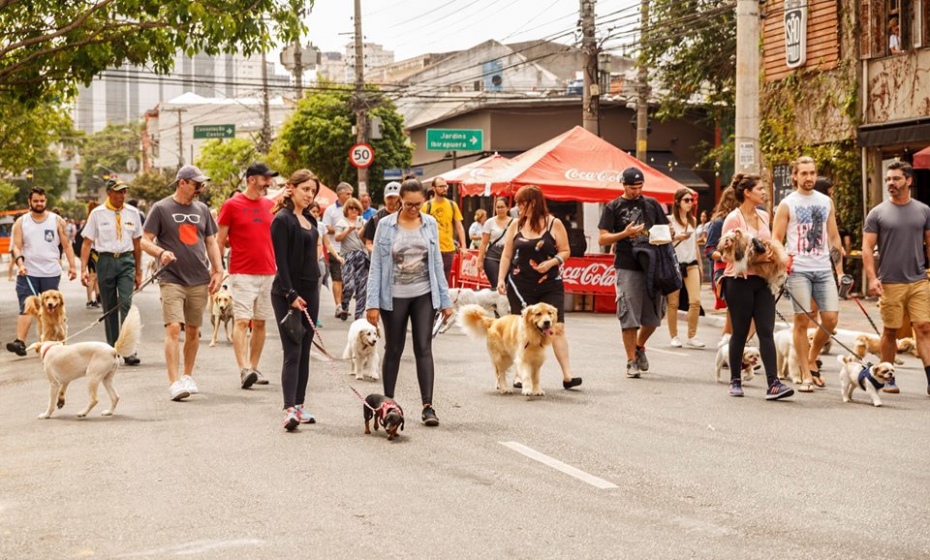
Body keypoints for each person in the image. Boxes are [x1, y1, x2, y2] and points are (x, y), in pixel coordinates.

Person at [366, 178, 453, 427]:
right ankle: (388, 404)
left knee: (423, 348)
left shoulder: (430, 223)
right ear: (400, 201)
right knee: (394, 348)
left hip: (423, 293)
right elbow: (376, 265)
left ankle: (428, 406)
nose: (413, 209)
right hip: (393, 295)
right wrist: (372, 303)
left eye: (417, 204)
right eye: (408, 204)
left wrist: (445, 300)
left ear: (423, 200)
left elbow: (436, 263)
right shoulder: (385, 225)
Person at [140, 165, 224, 402]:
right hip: (171, 278)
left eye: (202, 185)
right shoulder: (161, 208)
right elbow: (144, 241)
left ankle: (187, 375)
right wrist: (160, 253)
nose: (200, 189)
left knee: (193, 330)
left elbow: (211, 242)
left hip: (198, 278)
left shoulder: (203, 209)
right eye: (197, 184)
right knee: (174, 328)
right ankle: (173, 382)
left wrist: (218, 270)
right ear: (182, 183)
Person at [497, 186, 582, 389]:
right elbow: (507, 255)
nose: (517, 207)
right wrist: (500, 279)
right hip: (520, 285)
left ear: (533, 203)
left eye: (521, 203)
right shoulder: (516, 224)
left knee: (557, 328)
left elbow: (565, 250)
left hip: (549, 284)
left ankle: (567, 375)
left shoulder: (554, 223)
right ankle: (520, 374)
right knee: (522, 330)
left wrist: (552, 262)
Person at [772, 156, 844, 391]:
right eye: (804, 173)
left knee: (831, 319)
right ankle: (805, 374)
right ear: (795, 176)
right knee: (802, 321)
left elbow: (833, 237)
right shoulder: (787, 204)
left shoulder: (826, 202)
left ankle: (812, 357)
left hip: (823, 268)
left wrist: (840, 271)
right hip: (799, 270)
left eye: (812, 173)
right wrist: (784, 261)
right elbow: (776, 239)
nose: (809, 177)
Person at [720, 174, 794, 400]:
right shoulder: (733, 219)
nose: (764, 192)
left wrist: (773, 257)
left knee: (766, 331)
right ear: (747, 193)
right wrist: (755, 259)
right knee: (740, 332)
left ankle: (773, 383)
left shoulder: (763, 215)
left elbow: (770, 242)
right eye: (760, 189)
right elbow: (726, 255)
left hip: (763, 281)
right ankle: (735, 379)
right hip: (738, 281)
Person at [862, 162, 930, 396]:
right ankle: (888, 378)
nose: (891, 183)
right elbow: (867, 248)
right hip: (890, 282)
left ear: (908, 181)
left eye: (896, 179)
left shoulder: (923, 211)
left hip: (919, 280)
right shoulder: (877, 213)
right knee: (890, 331)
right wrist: (872, 278)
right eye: (888, 179)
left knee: (923, 328)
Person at [597, 167, 669, 379]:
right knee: (629, 315)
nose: (637, 191)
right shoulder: (613, 207)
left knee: (655, 317)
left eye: (640, 187)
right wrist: (624, 233)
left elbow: (665, 230)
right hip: (627, 264)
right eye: (632, 188)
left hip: (653, 265)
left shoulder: (652, 204)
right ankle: (630, 361)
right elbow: (602, 238)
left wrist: (670, 234)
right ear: (624, 185)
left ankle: (639, 346)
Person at [215, 162, 279, 389]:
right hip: (241, 272)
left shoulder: (271, 205)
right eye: (265, 178)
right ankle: (243, 370)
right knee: (242, 321)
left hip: (268, 272)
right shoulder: (231, 205)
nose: (268, 183)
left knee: (260, 322)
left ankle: (254, 367)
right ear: (252, 179)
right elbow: (220, 241)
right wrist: (217, 269)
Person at [270, 170, 323, 430]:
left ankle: (300, 406)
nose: (309, 195)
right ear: (291, 188)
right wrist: (290, 294)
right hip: (287, 293)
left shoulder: (310, 218)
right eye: (305, 189)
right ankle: (289, 409)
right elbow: (280, 261)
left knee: (304, 352)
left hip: (311, 291)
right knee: (293, 351)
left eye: (313, 191)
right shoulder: (282, 220)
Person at [6, 187, 77, 356]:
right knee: (27, 306)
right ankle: (20, 342)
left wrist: (73, 267)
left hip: (51, 272)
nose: (39, 204)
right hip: (27, 272)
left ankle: (54, 339)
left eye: (42, 201)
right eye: (36, 201)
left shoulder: (57, 220)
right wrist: (20, 264)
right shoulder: (21, 222)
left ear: (46, 201)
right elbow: (17, 247)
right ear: (29, 202)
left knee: (52, 308)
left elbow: (67, 245)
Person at [80, 179, 143, 365]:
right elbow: (87, 243)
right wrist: (83, 269)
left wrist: (138, 270)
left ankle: (128, 349)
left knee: (126, 303)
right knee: (109, 307)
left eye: (124, 191)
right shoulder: (97, 213)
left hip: (126, 260)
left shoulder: (133, 213)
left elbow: (137, 243)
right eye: (118, 192)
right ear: (109, 193)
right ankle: (112, 348)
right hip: (105, 260)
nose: (122, 195)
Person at [666, 188, 704, 348]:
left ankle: (692, 336)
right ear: (677, 202)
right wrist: (676, 237)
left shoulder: (693, 220)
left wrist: (700, 265)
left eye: (691, 200)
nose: (690, 203)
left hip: (691, 264)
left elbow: (694, 245)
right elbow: (661, 241)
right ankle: (674, 336)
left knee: (695, 301)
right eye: (686, 200)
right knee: (673, 302)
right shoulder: (669, 220)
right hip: (674, 265)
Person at [704, 187, 741, 345]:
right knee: (733, 307)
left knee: (738, 308)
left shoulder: (742, 220)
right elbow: (709, 250)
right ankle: (727, 340)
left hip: (740, 268)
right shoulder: (719, 223)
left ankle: (734, 340)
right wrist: (725, 256)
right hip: (723, 270)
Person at [422, 177, 466, 283]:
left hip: (448, 249)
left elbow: (459, 226)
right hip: (431, 249)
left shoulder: (452, 205)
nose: (444, 188)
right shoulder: (426, 206)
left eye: (445, 186)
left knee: (444, 280)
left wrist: (464, 247)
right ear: (434, 188)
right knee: (431, 280)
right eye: (441, 186)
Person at [322, 182, 353, 319]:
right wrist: (341, 230)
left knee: (348, 281)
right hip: (335, 249)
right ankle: (338, 307)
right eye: (348, 194)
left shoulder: (352, 208)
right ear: (339, 193)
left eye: (351, 194)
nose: (350, 196)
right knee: (337, 279)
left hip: (350, 249)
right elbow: (325, 227)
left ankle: (344, 304)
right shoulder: (330, 210)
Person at [335, 197, 369, 320]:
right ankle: (345, 305)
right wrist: (348, 230)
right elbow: (337, 238)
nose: (353, 210)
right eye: (351, 208)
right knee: (349, 285)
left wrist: (361, 231)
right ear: (346, 210)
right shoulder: (342, 222)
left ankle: (359, 316)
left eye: (356, 208)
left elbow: (369, 239)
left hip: (362, 255)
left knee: (362, 287)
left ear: (359, 210)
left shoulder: (364, 222)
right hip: (348, 256)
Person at [477, 197, 513, 288]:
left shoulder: (515, 222)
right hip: (492, 257)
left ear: (507, 208)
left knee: (509, 286)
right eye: (498, 207)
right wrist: (480, 260)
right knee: (497, 285)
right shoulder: (489, 222)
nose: (500, 209)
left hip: (509, 257)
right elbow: (484, 242)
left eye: (502, 207)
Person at [360, 181, 401, 250]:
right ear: (384, 198)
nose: (393, 201)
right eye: (389, 197)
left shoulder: (408, 216)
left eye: (395, 197)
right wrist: (377, 252)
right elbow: (367, 242)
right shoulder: (376, 218)